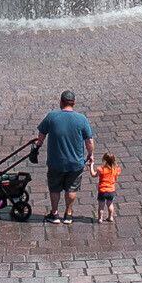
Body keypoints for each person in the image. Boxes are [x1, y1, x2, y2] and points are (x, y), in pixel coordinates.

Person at [31, 90, 94, 224]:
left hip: (56, 162)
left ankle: (54, 214)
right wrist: (90, 154)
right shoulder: (81, 119)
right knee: (71, 188)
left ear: (61, 102)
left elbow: (41, 135)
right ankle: (69, 214)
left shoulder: (52, 117)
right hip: (75, 163)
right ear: (74, 103)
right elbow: (89, 141)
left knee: (54, 188)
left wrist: (37, 146)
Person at [95, 152, 120, 225]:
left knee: (101, 206)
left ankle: (100, 218)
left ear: (104, 160)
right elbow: (115, 179)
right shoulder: (116, 169)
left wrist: (91, 166)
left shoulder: (101, 169)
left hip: (102, 191)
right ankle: (110, 217)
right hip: (111, 190)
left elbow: (93, 174)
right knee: (110, 204)